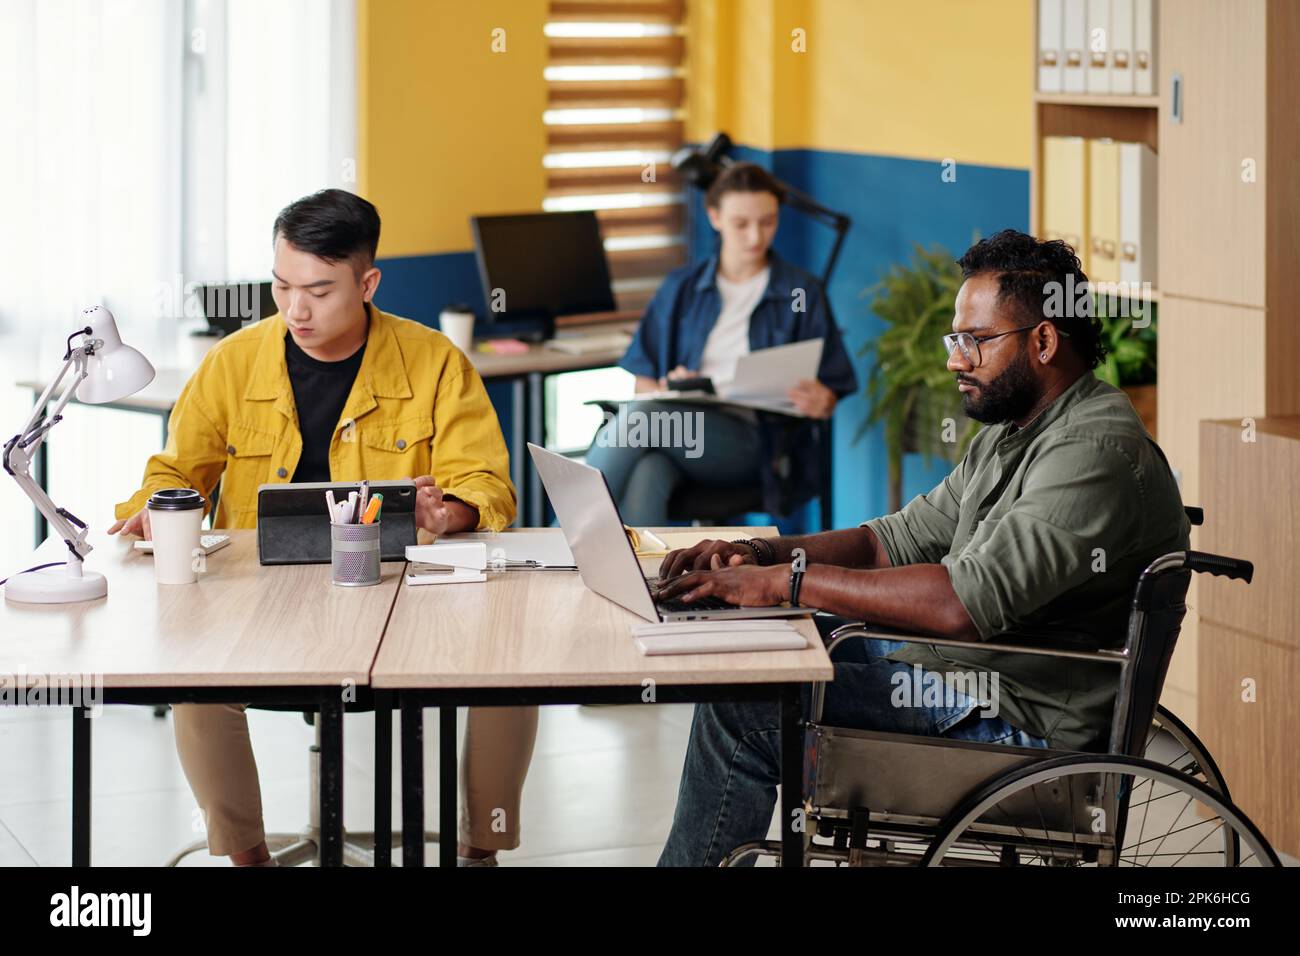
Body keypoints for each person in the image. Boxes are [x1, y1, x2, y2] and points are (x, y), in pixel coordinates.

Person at [651, 229, 1190, 866]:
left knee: (742, 712)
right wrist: (765, 554)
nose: (955, 360)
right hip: (957, 676)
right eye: (954, 340)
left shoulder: (1093, 452)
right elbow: (891, 543)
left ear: (1044, 341)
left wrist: (788, 585)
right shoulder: (1013, 433)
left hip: (1017, 724)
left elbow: (962, 602)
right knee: (768, 647)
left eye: (975, 341)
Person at [109, 189, 534, 867]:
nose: (295, 310)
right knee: (192, 681)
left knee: (515, 668)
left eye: (318, 290)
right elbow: (172, 471)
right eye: (281, 287)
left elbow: (488, 484)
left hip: (396, 595)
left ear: (367, 284)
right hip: (256, 595)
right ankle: (248, 856)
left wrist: (445, 511)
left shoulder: (434, 362)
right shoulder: (233, 362)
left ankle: (480, 849)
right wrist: (157, 510)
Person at [586, 162, 857, 525]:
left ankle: (560, 539)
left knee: (640, 418)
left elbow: (831, 391)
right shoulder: (680, 287)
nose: (755, 237)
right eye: (741, 224)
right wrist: (671, 388)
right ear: (714, 217)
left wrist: (821, 400)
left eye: (767, 222)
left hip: (755, 443)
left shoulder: (801, 291)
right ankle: (643, 581)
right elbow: (644, 384)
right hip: (681, 431)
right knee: (648, 470)